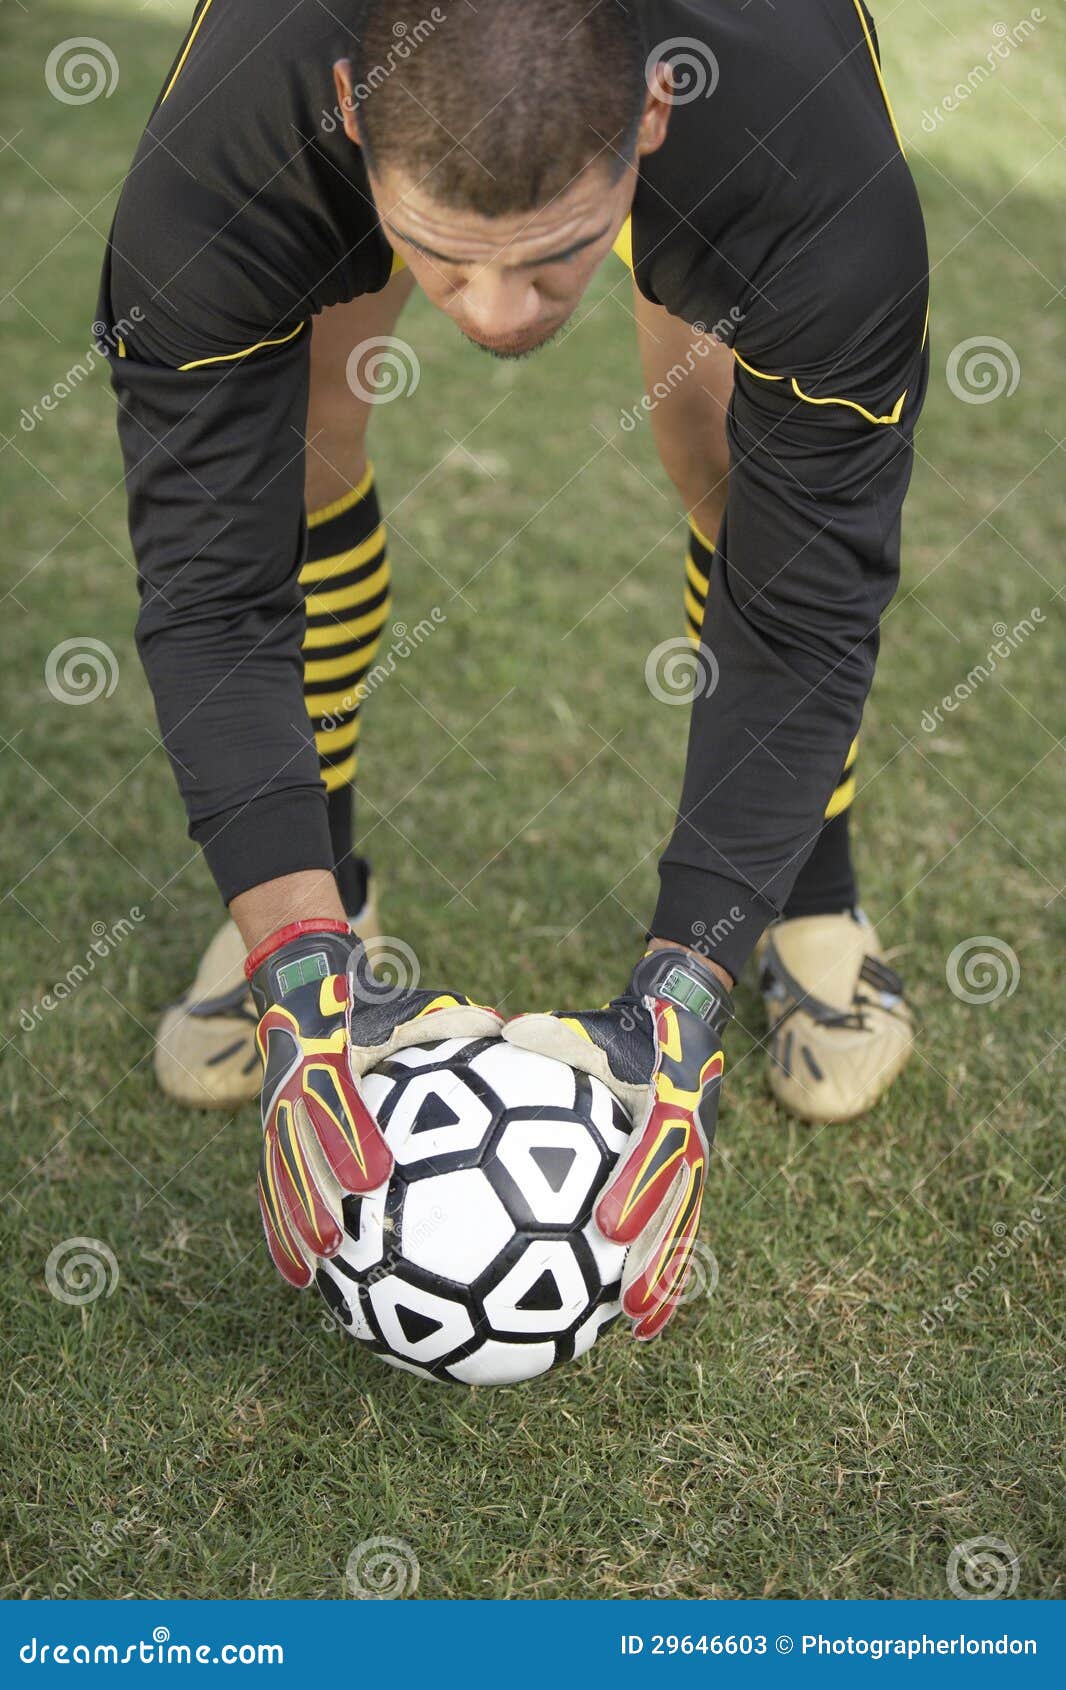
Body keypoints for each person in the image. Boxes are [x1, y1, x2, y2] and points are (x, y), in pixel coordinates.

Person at [99, 0, 928, 1336]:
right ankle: (330, 907)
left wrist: (680, 993)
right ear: (353, 117)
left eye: (550, 264)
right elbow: (210, 581)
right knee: (298, 427)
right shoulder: (226, 158)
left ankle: (808, 901)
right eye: (438, 256)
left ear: (649, 117)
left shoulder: (802, 155)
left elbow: (809, 612)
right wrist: (290, 948)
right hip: (313, 100)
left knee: (725, 446)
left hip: (732, 94)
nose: (492, 316)